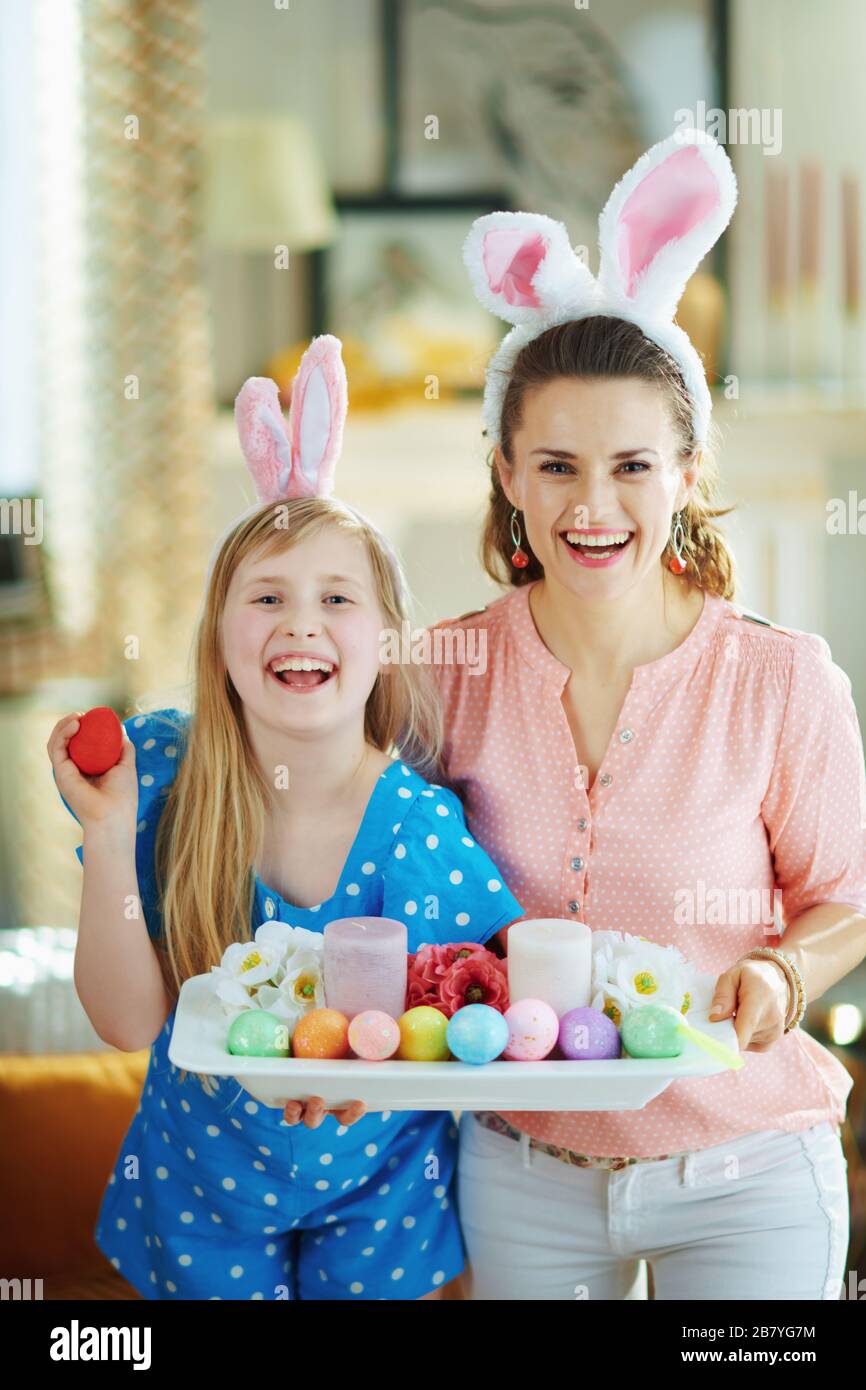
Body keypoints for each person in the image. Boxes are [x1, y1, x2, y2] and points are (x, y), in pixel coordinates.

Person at [428, 129, 866, 1299]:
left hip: (744, 1168)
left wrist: (779, 973)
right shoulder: (440, 671)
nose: (591, 504)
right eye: (556, 465)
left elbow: (846, 897)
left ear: (683, 471)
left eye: (630, 465)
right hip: (523, 1168)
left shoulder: (780, 680)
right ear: (507, 475)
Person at [47, 337, 522, 1301]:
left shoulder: (419, 828)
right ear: (221, 639)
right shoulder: (166, 778)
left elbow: (480, 1028)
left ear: (383, 641)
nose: (300, 623)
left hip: (378, 1181)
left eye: (336, 600)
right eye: (266, 598)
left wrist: (377, 1078)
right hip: (198, 1180)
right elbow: (126, 1021)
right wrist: (107, 831)